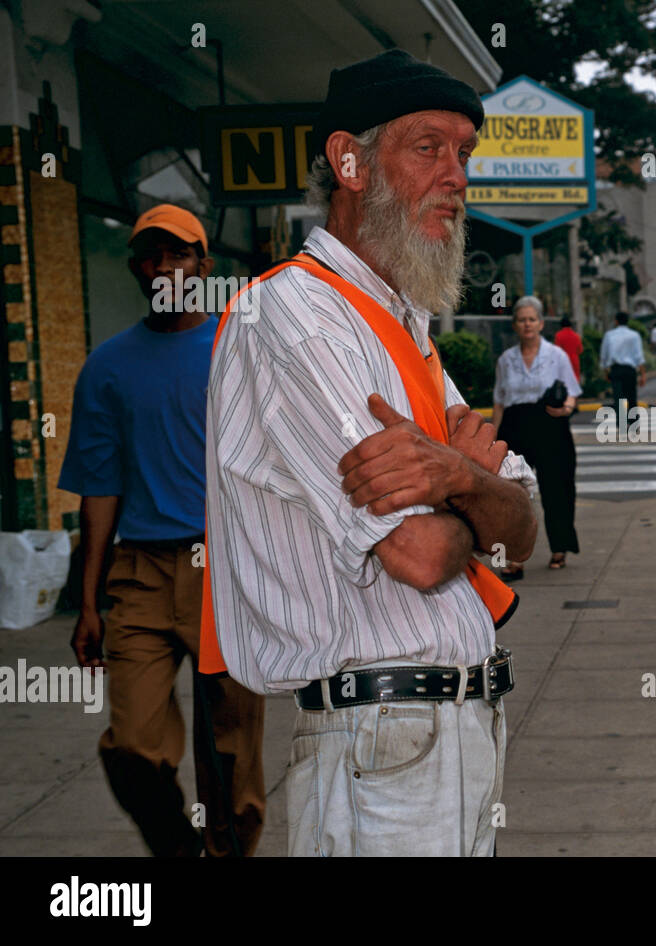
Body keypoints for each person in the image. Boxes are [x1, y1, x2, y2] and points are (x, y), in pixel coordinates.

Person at [205, 49, 539, 857]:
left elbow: (522, 532)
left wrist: (456, 476)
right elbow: (423, 554)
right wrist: (475, 492)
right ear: (348, 161)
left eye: (465, 152)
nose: (457, 175)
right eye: (429, 147)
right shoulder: (294, 319)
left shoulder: (399, 325)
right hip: (383, 745)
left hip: (443, 735)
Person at [59, 204, 266, 857]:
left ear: (203, 266)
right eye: (151, 255)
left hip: (228, 571)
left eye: (178, 254)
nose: (164, 267)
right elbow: (100, 490)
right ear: (136, 268)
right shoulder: (107, 367)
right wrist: (88, 602)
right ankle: (179, 850)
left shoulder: (240, 352)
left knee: (231, 757)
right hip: (141, 573)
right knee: (132, 749)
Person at [493, 296, 582, 575]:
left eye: (532, 319)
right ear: (515, 325)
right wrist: (493, 440)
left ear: (541, 323)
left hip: (550, 426)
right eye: (522, 319)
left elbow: (572, 392)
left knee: (557, 489)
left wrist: (566, 408)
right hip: (515, 425)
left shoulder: (556, 356)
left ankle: (560, 547)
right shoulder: (506, 360)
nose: (527, 324)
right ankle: (514, 558)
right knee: (512, 493)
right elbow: (499, 402)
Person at [600, 311, 646, 412]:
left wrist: (606, 372)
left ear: (616, 321)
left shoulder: (609, 335)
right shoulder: (634, 335)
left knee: (618, 399)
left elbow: (603, 356)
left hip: (616, 370)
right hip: (630, 370)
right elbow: (639, 356)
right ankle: (633, 423)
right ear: (627, 321)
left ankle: (622, 425)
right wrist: (643, 375)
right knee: (632, 398)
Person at [554, 316, 583, 380]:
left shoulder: (558, 335)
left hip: (563, 362)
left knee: (564, 382)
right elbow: (580, 350)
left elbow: (557, 351)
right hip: (574, 361)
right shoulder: (576, 336)